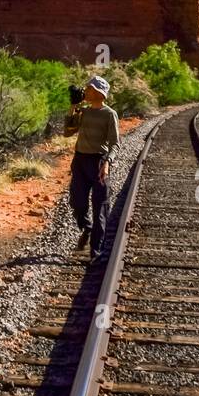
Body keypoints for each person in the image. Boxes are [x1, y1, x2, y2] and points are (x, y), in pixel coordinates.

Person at [63, 75, 120, 262]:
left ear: (97, 92)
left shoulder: (109, 114)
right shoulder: (84, 111)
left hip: (98, 162)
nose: (85, 91)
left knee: (100, 207)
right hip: (80, 161)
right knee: (77, 202)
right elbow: (67, 132)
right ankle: (86, 227)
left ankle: (96, 252)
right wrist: (73, 106)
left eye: (88, 89)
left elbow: (115, 144)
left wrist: (107, 163)